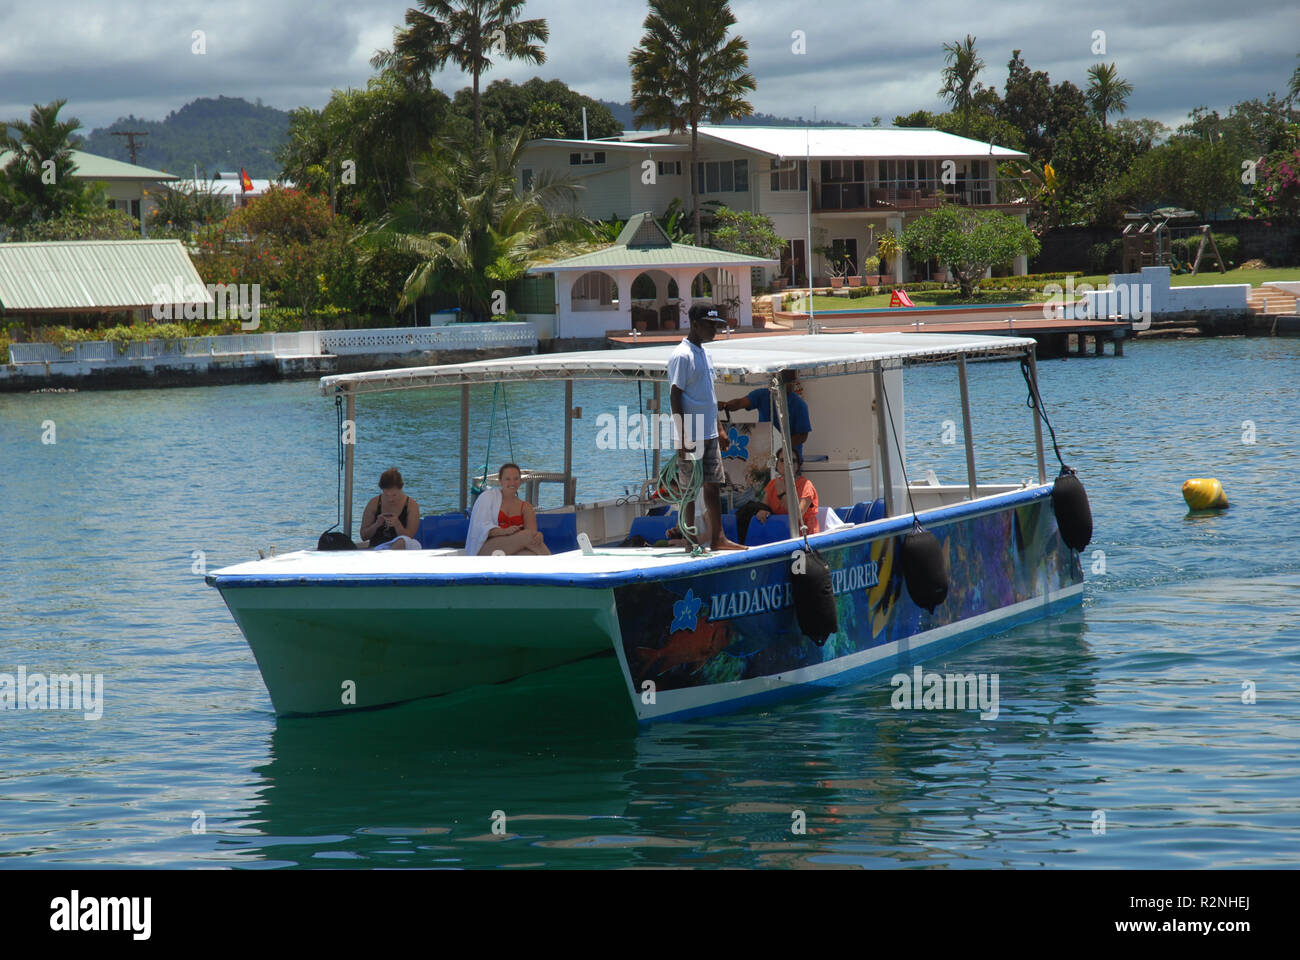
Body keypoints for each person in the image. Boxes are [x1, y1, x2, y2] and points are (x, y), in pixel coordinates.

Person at [668, 304, 745, 552]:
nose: (715, 330)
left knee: (713, 486)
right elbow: (675, 395)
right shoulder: (682, 355)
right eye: (710, 325)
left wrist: (720, 429)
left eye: (716, 325)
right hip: (691, 433)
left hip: (709, 433)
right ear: (694, 324)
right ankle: (690, 541)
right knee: (690, 489)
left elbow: (710, 396)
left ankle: (718, 538)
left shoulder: (705, 354)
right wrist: (682, 436)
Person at [718, 368, 812, 463]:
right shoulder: (762, 395)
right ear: (775, 378)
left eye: (792, 380)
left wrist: (779, 445)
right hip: (765, 454)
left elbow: (802, 436)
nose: (790, 383)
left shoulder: (799, 404)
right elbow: (740, 403)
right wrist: (725, 405)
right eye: (787, 379)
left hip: (789, 459)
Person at [466, 463, 551, 557]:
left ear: (520, 481)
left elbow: (532, 535)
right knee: (526, 536)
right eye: (507, 479)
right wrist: (504, 531)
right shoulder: (488, 497)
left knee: (529, 554)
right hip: (487, 550)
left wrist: (538, 536)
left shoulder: (526, 507)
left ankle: (553, 567)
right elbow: (480, 528)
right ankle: (554, 565)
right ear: (500, 481)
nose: (512, 483)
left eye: (516, 479)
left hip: (512, 550)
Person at [754, 445, 819, 536]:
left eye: (793, 460)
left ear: (798, 465)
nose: (788, 464)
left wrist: (782, 494)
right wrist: (762, 512)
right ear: (777, 464)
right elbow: (764, 506)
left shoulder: (806, 485)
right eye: (782, 460)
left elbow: (797, 515)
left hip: (804, 535)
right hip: (778, 533)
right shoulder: (773, 484)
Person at [361, 467, 421, 550]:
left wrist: (397, 525)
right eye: (386, 495)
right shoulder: (374, 503)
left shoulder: (411, 505)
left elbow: (409, 538)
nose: (390, 499)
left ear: (401, 489)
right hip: (377, 547)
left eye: (394, 495)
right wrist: (376, 524)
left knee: (401, 541)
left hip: (401, 547)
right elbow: (364, 536)